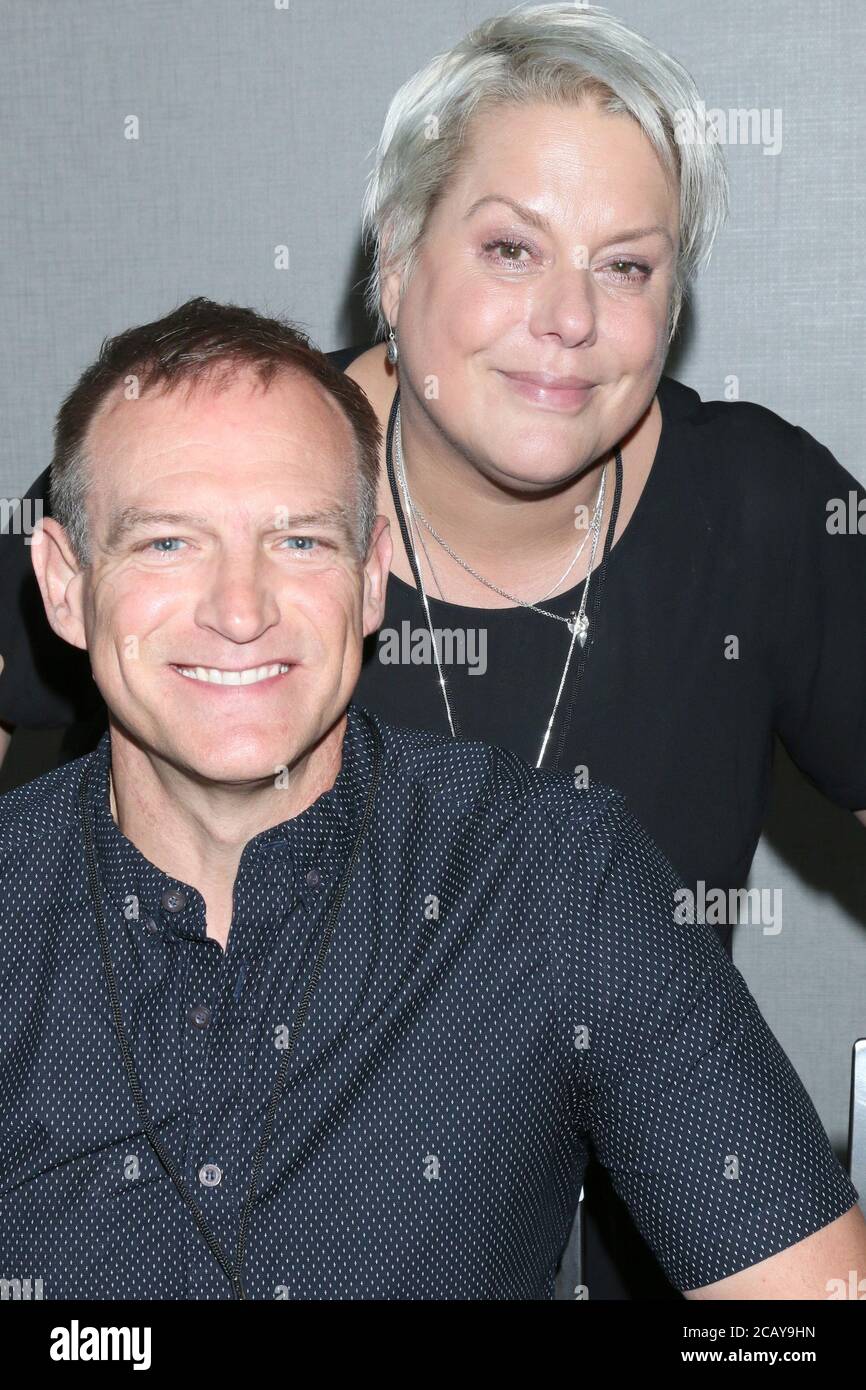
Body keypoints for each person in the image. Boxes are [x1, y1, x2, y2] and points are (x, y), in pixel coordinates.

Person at [1, 4, 865, 1298]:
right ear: (395, 265)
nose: (567, 319)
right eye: (511, 247)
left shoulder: (765, 514)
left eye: (626, 266)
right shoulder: (178, 461)